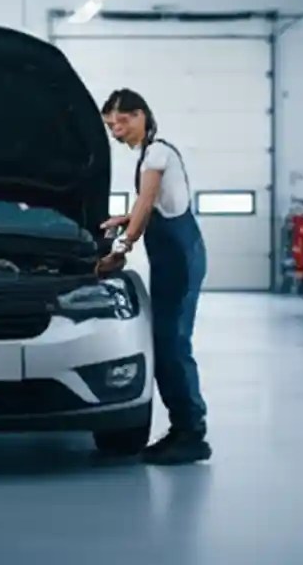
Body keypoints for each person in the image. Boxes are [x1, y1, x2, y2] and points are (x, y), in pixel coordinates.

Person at [97, 89, 211, 465]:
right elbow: (156, 204)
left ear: (142, 115)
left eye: (123, 120)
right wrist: (123, 221)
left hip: (179, 257)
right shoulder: (148, 155)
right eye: (111, 124)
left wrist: (121, 248)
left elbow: (147, 203)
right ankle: (182, 427)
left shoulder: (157, 153)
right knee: (165, 341)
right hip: (170, 258)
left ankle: (192, 432)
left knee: (173, 343)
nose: (117, 130)